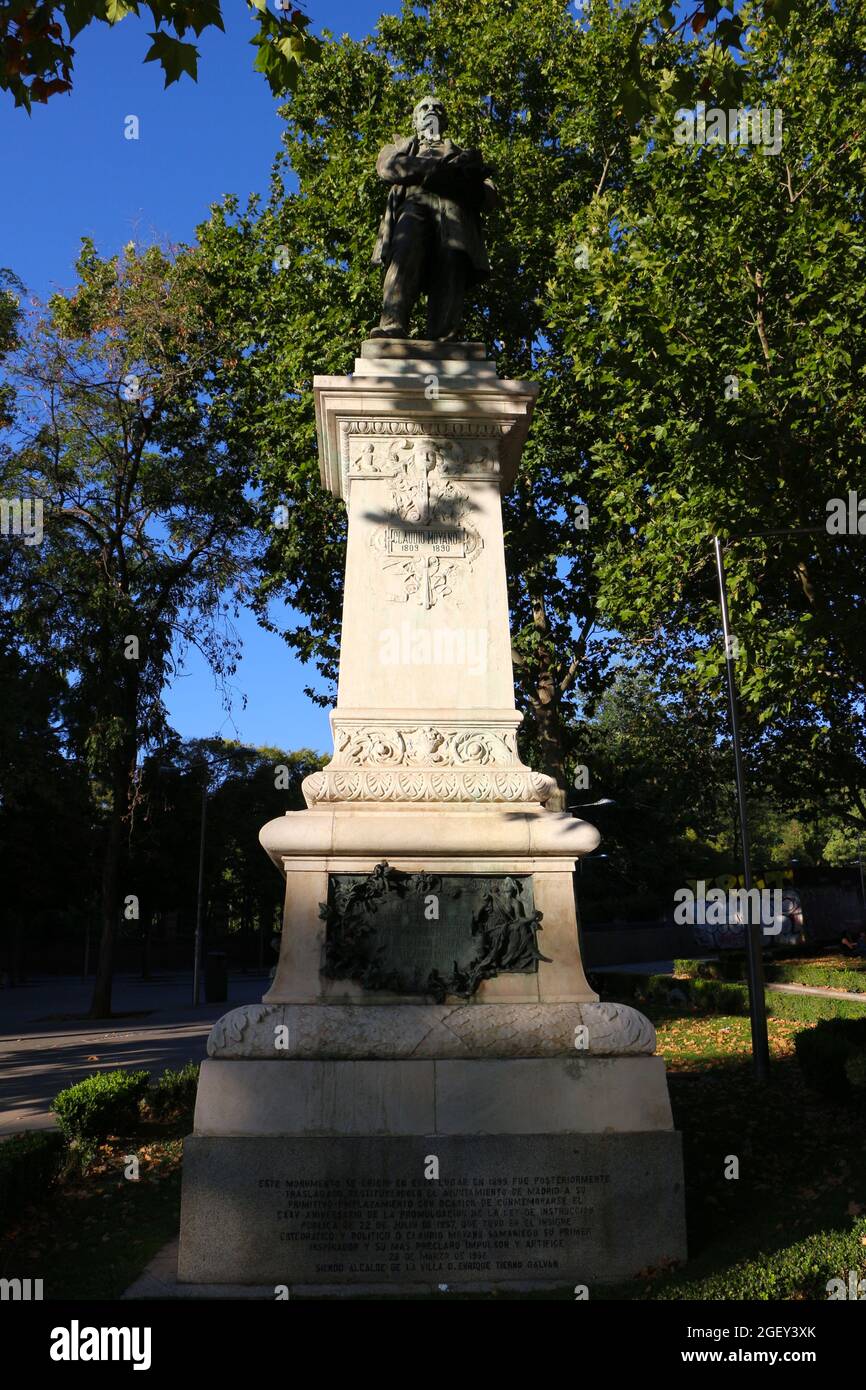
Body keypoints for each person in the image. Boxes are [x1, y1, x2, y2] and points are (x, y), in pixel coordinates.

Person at [370, 95, 498, 341]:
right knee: (405, 251)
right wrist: (436, 170)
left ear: (445, 120)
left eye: (437, 108)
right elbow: (388, 168)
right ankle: (391, 325)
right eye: (424, 107)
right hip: (413, 203)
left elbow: (489, 195)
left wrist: (464, 179)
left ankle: (445, 333)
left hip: (453, 212)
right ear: (415, 120)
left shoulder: (462, 154)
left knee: (452, 260)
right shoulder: (398, 148)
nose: (431, 110)